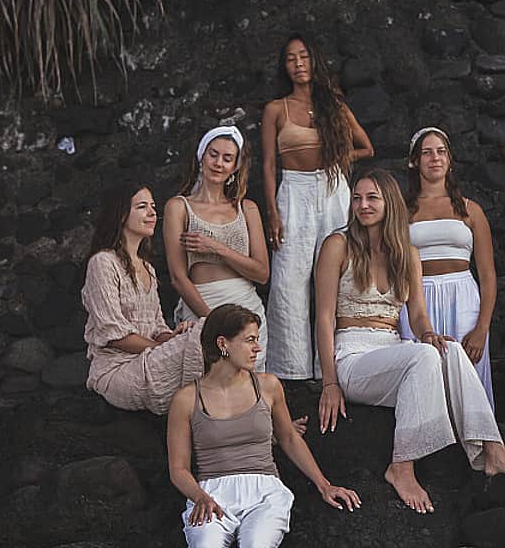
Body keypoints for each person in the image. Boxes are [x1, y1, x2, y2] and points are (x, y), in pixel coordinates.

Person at [314, 169, 505, 514]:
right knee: (423, 356)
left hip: (390, 347)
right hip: (352, 354)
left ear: (390, 203)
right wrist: (329, 383)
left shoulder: (407, 254)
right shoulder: (338, 245)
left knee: (449, 349)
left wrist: (428, 335)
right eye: (357, 198)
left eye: (372, 198)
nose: (363, 205)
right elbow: (324, 317)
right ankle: (401, 466)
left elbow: (418, 313)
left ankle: (492, 449)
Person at [168, 304, 360, 548]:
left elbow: (288, 439)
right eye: (250, 340)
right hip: (211, 494)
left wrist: (323, 484)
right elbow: (179, 469)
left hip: (264, 491)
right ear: (223, 344)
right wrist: (199, 496)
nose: (257, 348)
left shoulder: (268, 386)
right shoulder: (187, 398)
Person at [261, 33, 374, 380]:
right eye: (291, 58)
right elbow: (268, 165)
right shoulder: (276, 109)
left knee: (337, 273)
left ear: (314, 61)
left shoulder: (333, 106)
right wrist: (273, 213)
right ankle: (291, 369)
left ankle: (334, 364)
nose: (298, 64)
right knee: (288, 279)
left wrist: (339, 157)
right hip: (293, 190)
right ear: (284, 66)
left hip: (332, 188)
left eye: (304, 56)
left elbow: (367, 147)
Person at [82, 182, 204, 414]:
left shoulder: (148, 268)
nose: (152, 213)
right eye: (142, 207)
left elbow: (158, 327)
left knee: (215, 333)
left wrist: (173, 337)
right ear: (121, 215)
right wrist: (166, 348)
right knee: (209, 333)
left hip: (151, 358)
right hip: (118, 370)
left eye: (153, 207)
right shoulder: (103, 263)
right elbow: (114, 335)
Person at [400, 127, 497, 407]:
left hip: (462, 297)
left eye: (441, 151)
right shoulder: (402, 210)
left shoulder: (470, 210)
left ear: (450, 160)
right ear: (414, 161)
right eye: (427, 153)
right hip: (417, 297)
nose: (435, 158)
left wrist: (482, 327)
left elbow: (488, 275)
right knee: (424, 374)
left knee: (467, 375)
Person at [164, 125, 271, 371]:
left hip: (246, 307)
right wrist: (213, 322)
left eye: (227, 158)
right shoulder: (178, 207)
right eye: (213, 154)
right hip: (202, 306)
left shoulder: (247, 209)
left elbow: (262, 273)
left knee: (248, 383)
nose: (218, 163)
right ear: (201, 156)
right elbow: (178, 278)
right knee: (208, 379)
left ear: (235, 167)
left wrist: (215, 247)